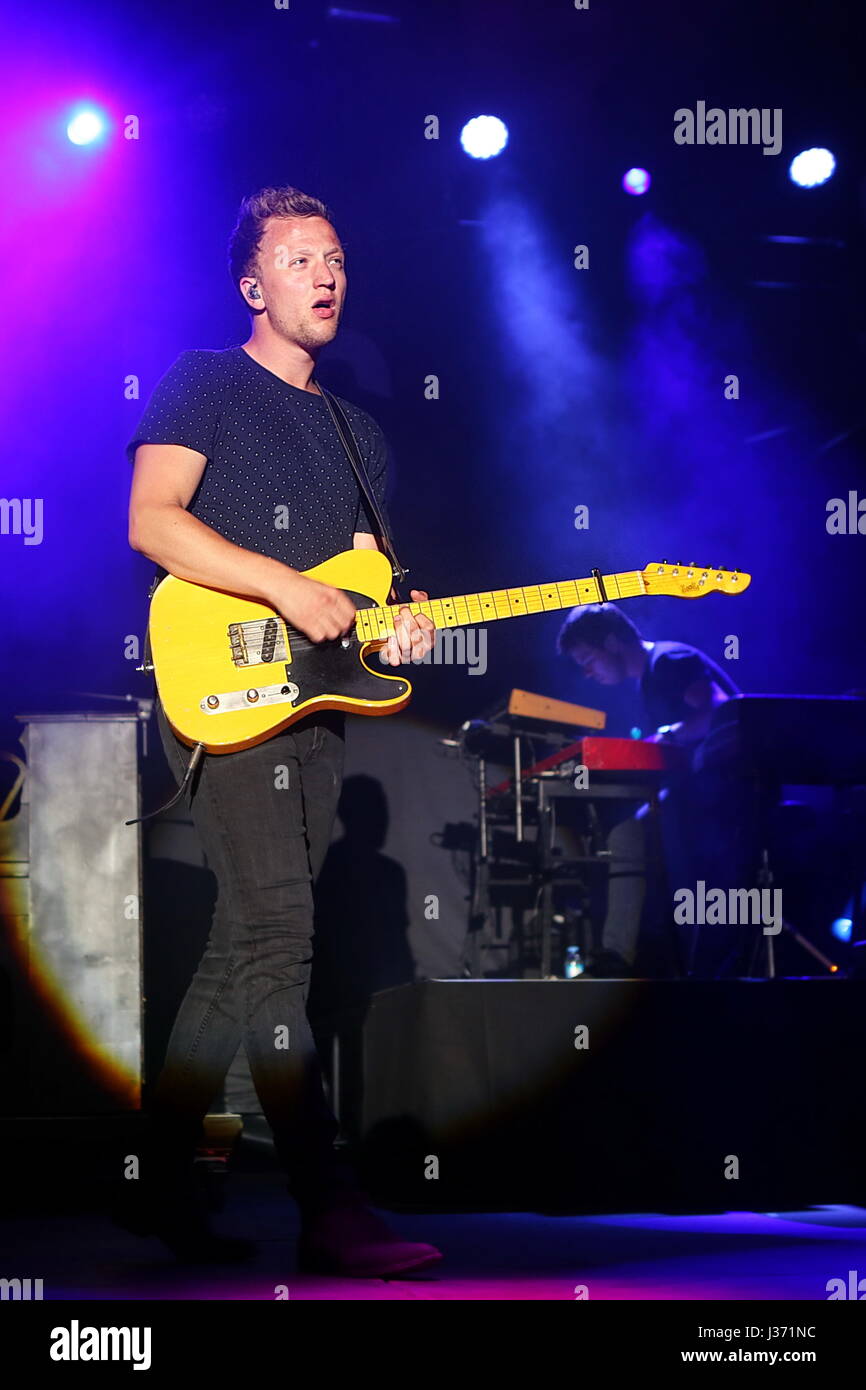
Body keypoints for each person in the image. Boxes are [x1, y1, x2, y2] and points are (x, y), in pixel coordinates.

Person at [120, 184, 442, 1275]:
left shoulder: (358, 435)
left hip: (315, 712)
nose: (324, 272)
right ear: (253, 284)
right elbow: (152, 519)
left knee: (231, 959)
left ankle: (158, 1185)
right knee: (276, 950)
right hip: (225, 693)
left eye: (335, 255)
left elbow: (359, 594)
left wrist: (396, 631)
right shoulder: (205, 381)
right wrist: (277, 586)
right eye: (299, 256)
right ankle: (325, 1199)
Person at [557, 603, 740, 975]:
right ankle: (632, 956)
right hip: (699, 796)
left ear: (612, 642)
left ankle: (633, 959)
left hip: (729, 796)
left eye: (587, 659)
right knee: (628, 833)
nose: (588, 673)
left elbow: (723, 712)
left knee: (632, 836)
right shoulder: (649, 679)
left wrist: (665, 737)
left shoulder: (671, 660)